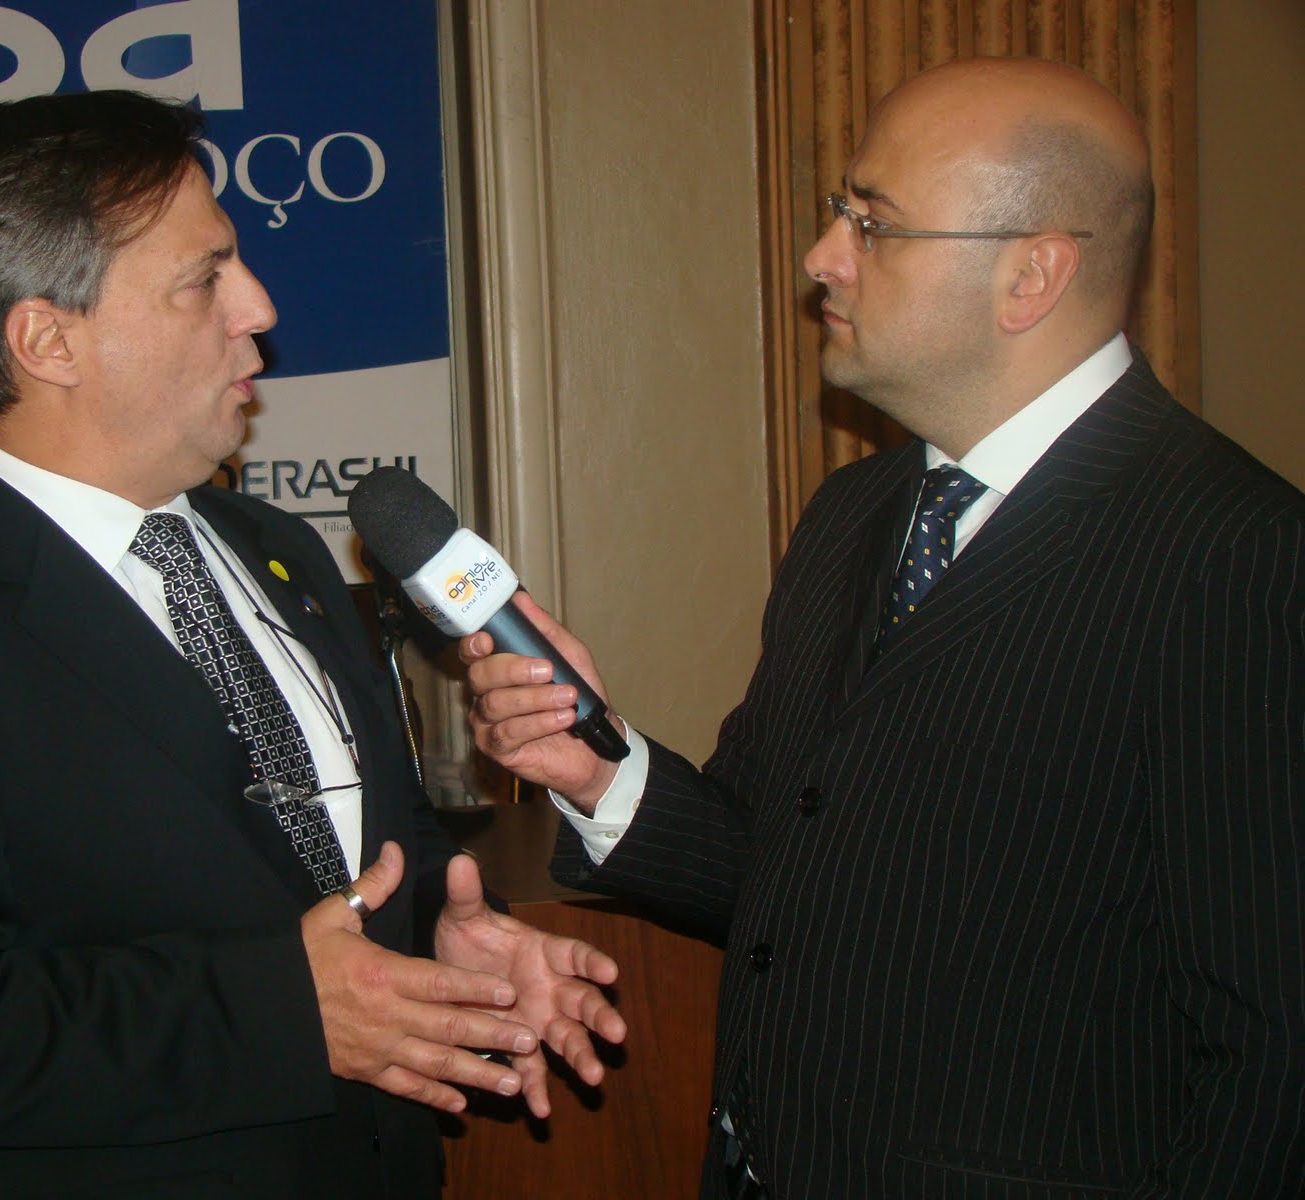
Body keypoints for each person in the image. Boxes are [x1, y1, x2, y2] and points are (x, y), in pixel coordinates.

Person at [0, 90, 625, 1200]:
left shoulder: (285, 555)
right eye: (204, 277)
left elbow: (358, 867)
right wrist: (279, 1014)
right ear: (47, 339)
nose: (258, 307)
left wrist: (451, 952)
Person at [463, 56, 1304, 1196]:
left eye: (874, 222)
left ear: (1032, 276)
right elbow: (783, 877)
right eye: (836, 211)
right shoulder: (856, 513)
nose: (822, 256)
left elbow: (1272, 1049)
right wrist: (600, 771)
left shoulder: (1238, 559)